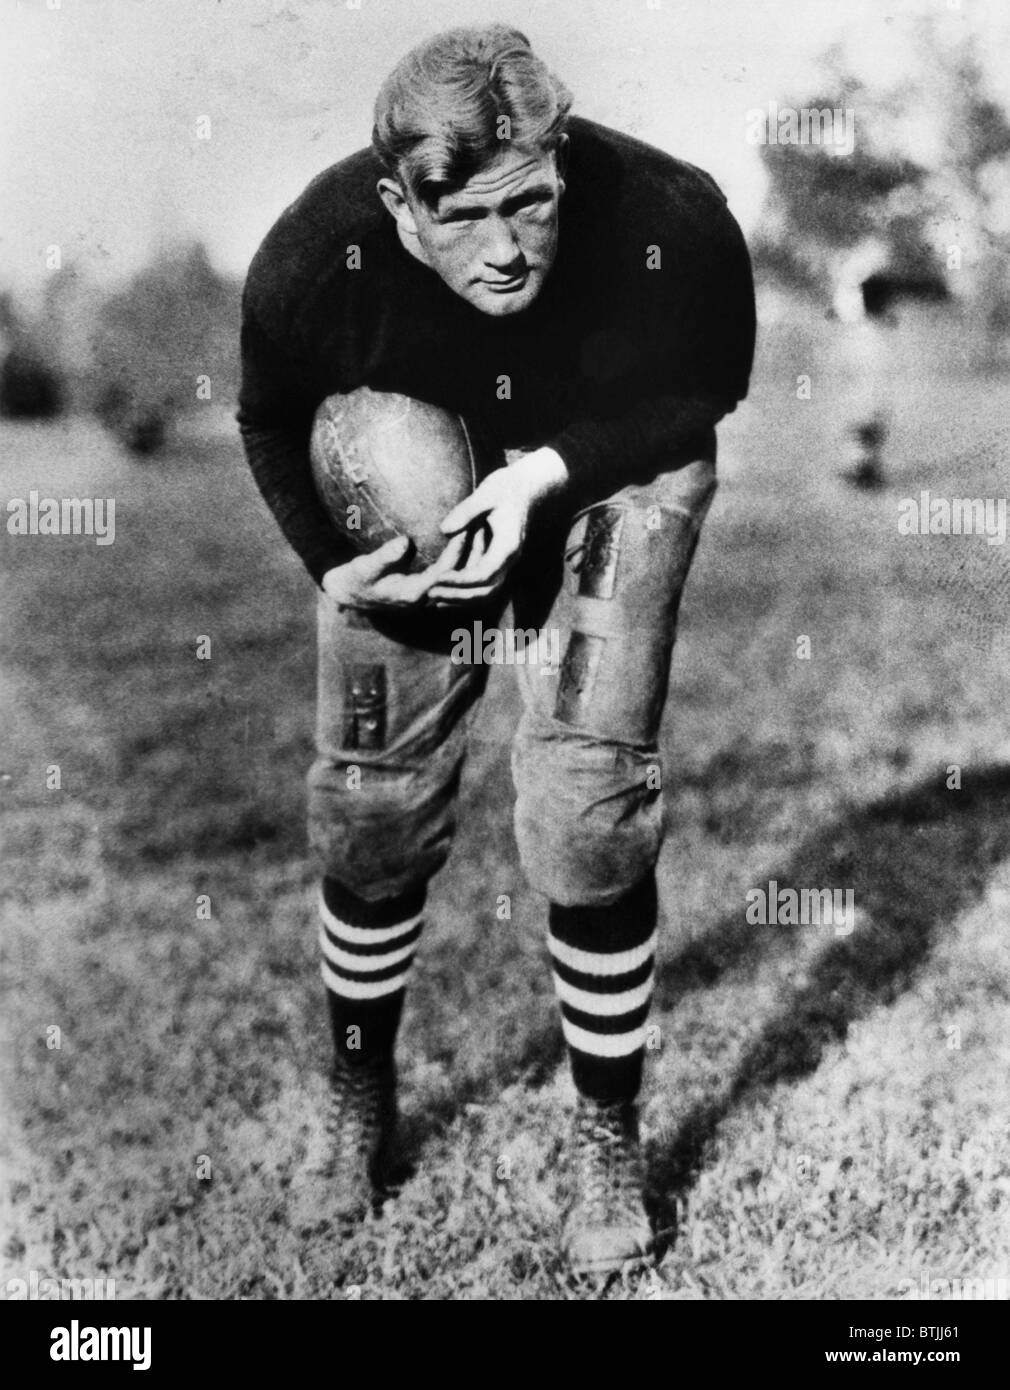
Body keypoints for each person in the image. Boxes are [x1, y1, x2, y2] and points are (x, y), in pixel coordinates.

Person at [238, 22, 755, 1276]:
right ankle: (361, 1095)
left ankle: (605, 1131)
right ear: (395, 204)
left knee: (585, 806)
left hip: (606, 476)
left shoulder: (668, 213)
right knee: (369, 807)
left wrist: (547, 475)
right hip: (420, 490)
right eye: (463, 216)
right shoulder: (318, 257)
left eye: (529, 202)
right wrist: (333, 559)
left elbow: (709, 386)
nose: (509, 247)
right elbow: (267, 410)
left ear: (561, 158)